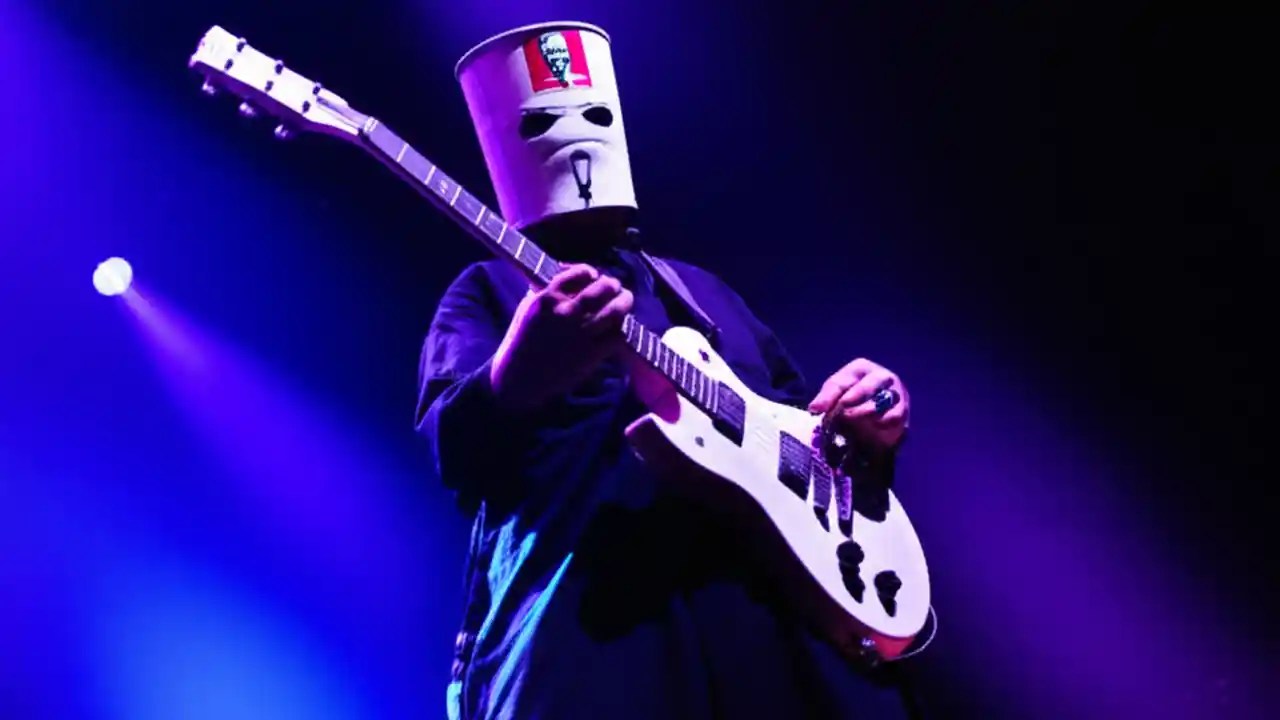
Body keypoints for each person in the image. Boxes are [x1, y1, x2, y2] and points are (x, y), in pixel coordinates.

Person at [417, 22, 916, 720]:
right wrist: (521, 371)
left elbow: (812, 449)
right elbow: (458, 456)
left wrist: (870, 427)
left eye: (592, 114)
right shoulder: (489, 291)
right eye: (542, 119)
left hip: (782, 653)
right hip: (605, 655)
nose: (574, 138)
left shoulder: (704, 292)